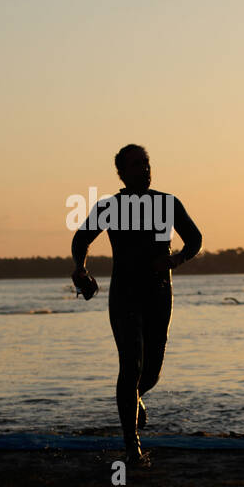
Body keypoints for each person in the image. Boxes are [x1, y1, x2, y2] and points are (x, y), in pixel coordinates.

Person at [71, 144, 202, 467]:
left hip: (159, 291)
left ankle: (135, 398)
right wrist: (80, 268)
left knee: (152, 369)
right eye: (136, 165)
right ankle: (132, 445)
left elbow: (195, 238)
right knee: (131, 365)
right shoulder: (110, 207)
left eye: (146, 163)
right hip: (125, 293)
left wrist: (176, 259)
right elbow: (81, 239)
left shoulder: (166, 203)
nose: (144, 169)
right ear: (121, 173)